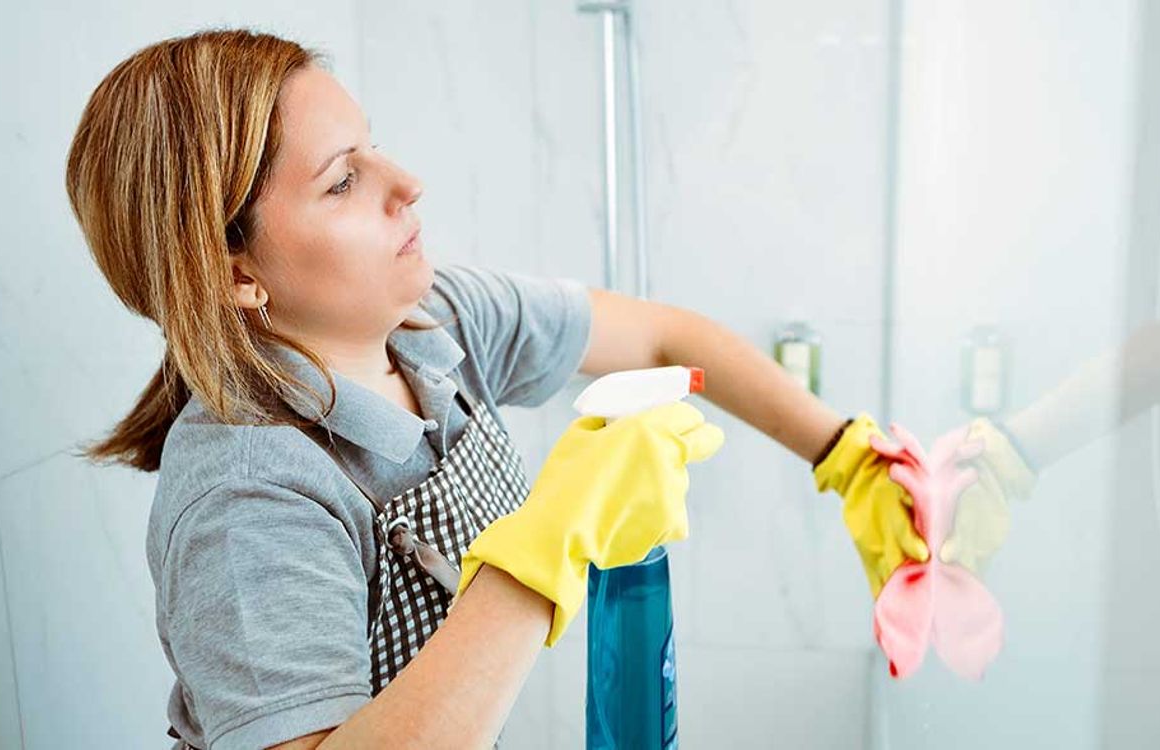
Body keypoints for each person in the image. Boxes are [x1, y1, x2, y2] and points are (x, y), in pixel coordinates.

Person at [63, 29, 990, 749]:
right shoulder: (247, 491)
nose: (407, 184)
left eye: (373, 149)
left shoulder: (436, 329)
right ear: (232, 273)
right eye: (345, 180)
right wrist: (543, 543)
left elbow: (662, 333)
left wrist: (849, 457)